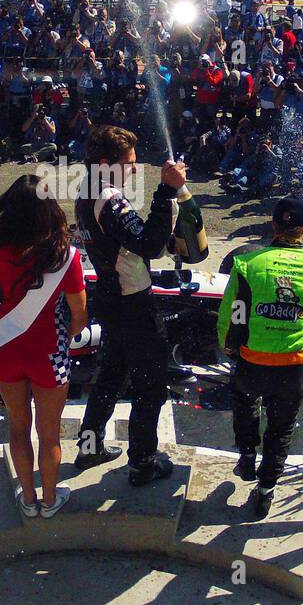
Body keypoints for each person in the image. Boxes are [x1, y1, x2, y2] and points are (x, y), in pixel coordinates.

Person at [0, 175, 88, 518]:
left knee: (18, 427)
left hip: (7, 352)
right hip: (49, 353)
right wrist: (64, 337)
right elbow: (80, 315)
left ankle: (28, 500)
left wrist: (5, 334)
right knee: (49, 435)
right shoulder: (64, 255)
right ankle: (50, 501)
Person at [74, 126, 185, 486]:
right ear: (107, 163)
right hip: (133, 303)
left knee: (110, 375)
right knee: (150, 385)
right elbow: (147, 244)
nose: (136, 169)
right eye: (130, 163)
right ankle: (143, 463)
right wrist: (166, 192)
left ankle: (89, 447)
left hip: (110, 297)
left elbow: (132, 242)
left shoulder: (86, 189)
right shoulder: (109, 197)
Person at [217, 196, 303, 519]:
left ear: (273, 225)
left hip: (253, 360)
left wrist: (229, 347)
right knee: (281, 428)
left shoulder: (246, 264)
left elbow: (231, 314)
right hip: (295, 364)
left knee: (244, 401)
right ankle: (266, 490)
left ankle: (246, 457)